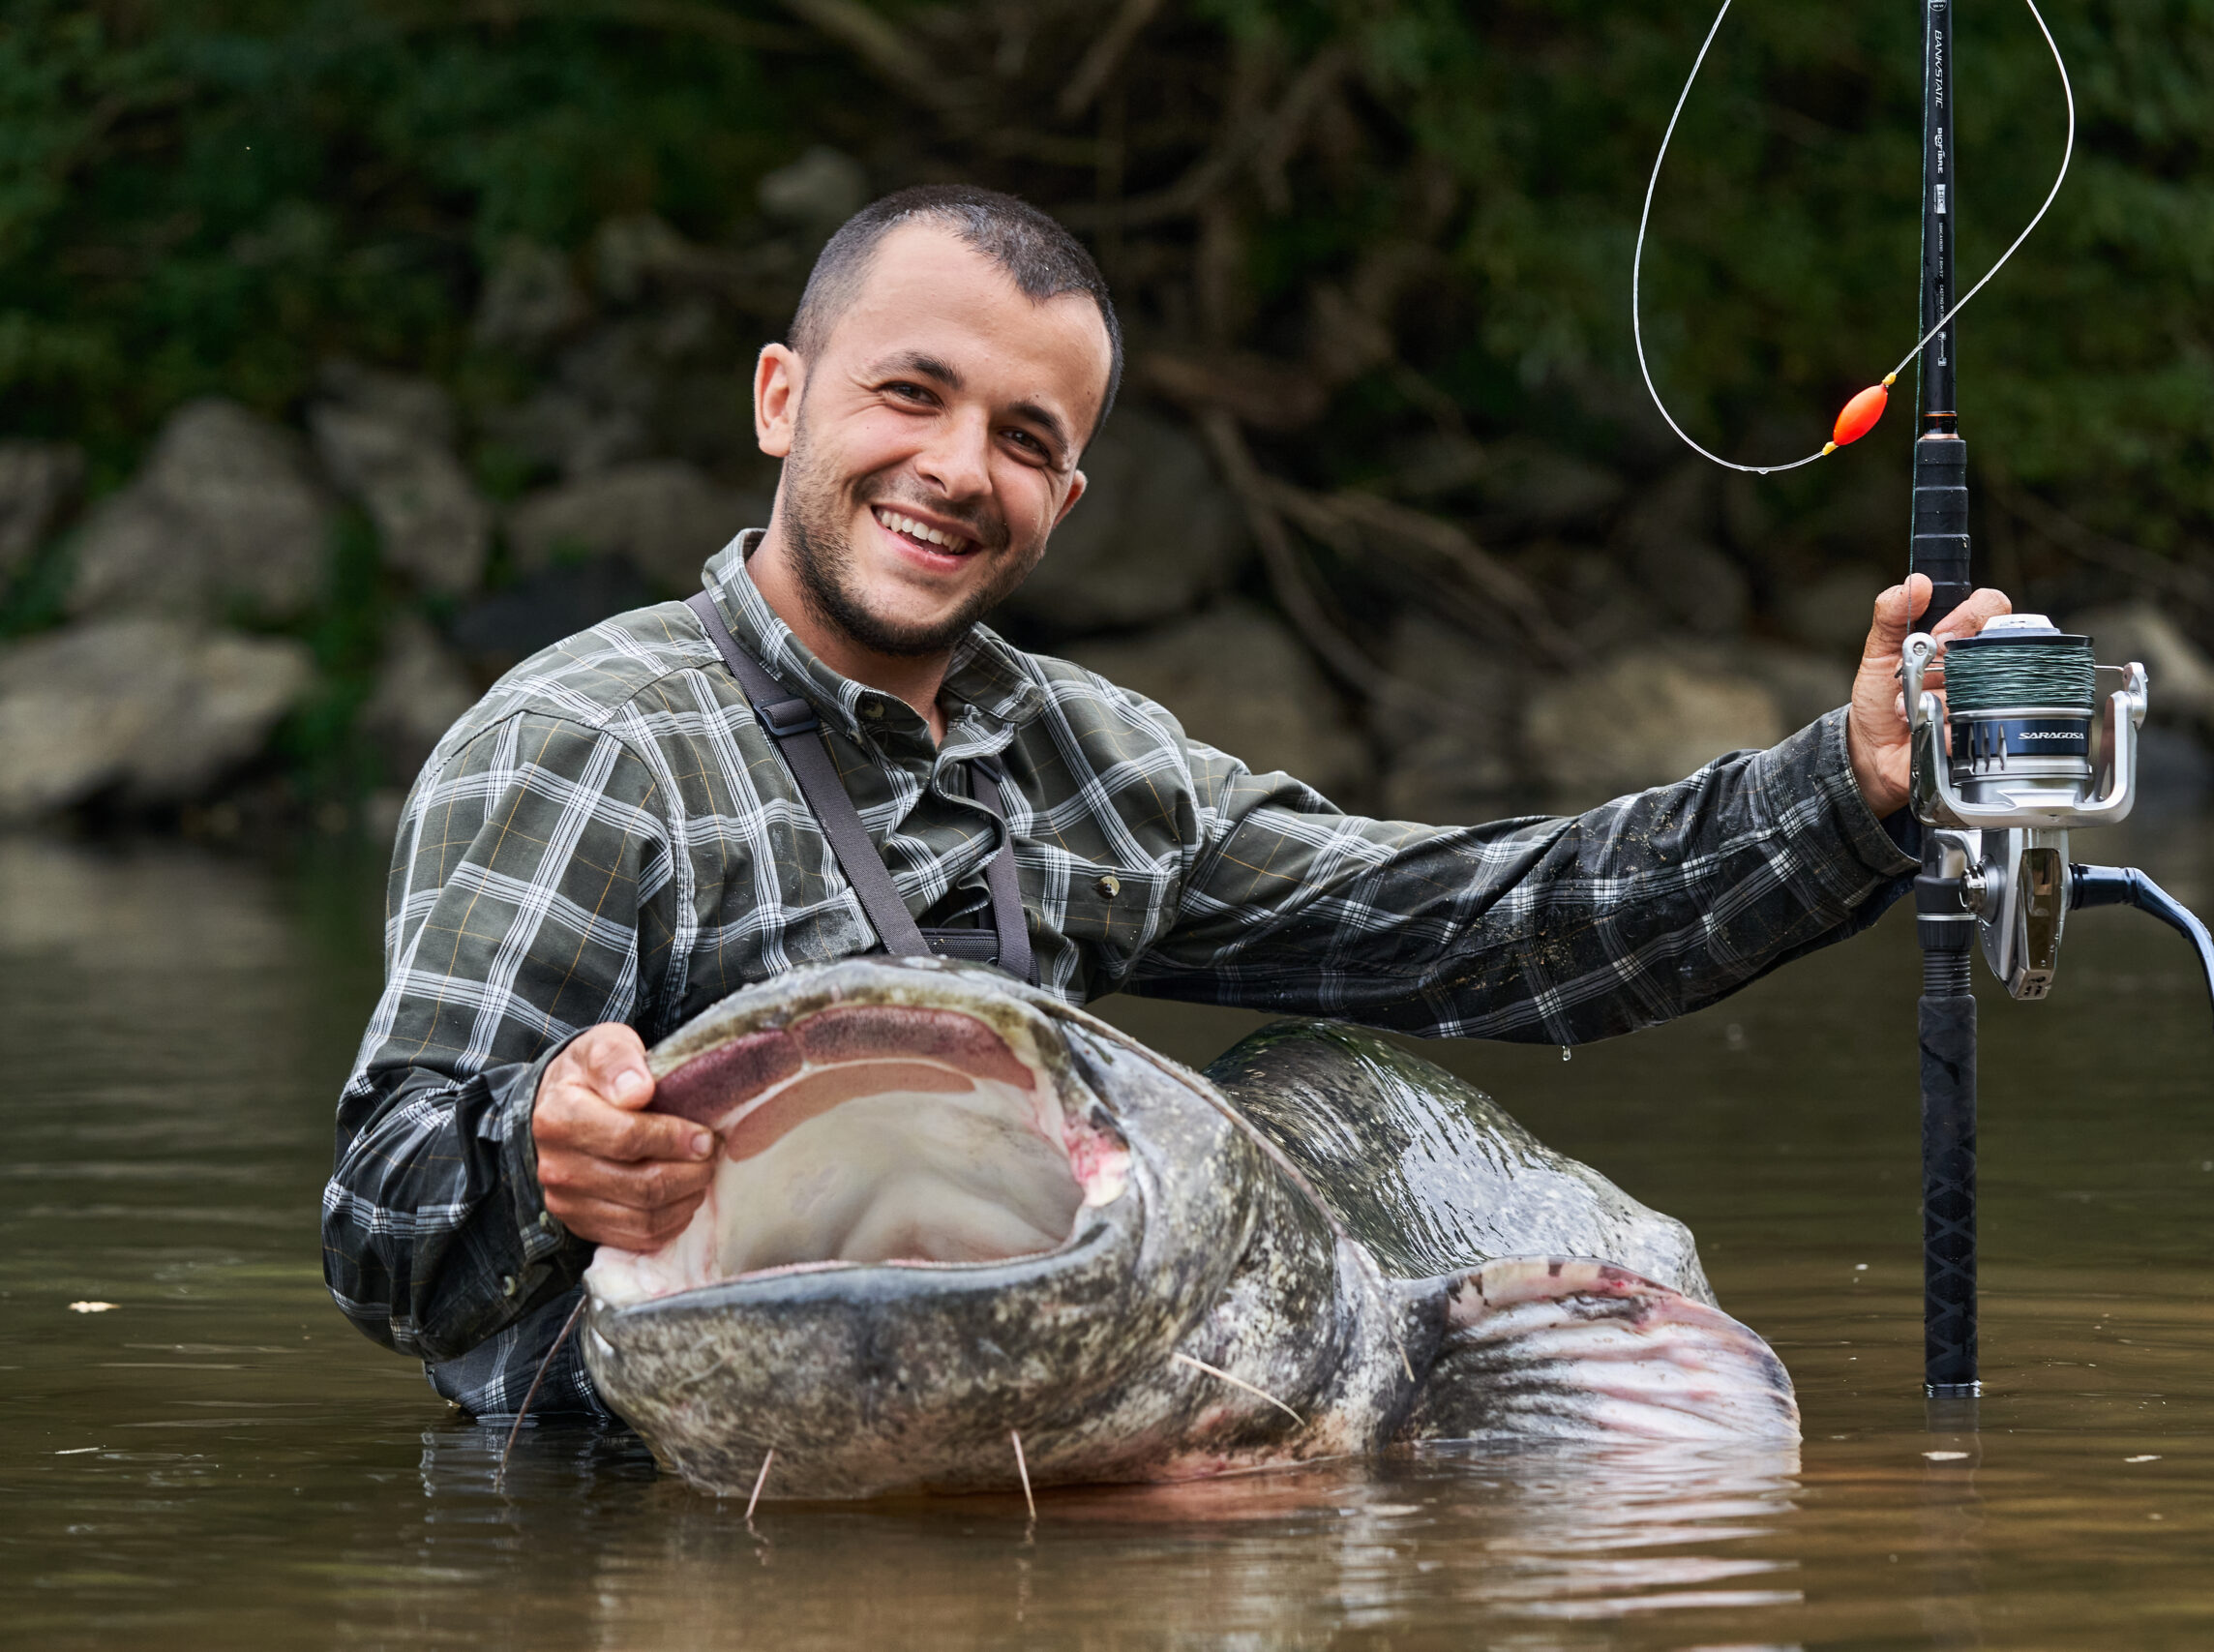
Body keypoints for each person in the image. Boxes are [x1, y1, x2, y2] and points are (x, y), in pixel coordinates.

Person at [322, 185, 2009, 1418]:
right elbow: (380, 1233)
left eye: (1023, 435)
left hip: (1032, 1447)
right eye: (909, 393)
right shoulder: (583, 740)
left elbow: (1481, 936)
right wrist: (541, 1161)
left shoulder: (1090, 765)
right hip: (655, 1487)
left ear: (1068, 491)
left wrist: (1848, 790)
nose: (955, 468)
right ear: (784, 397)